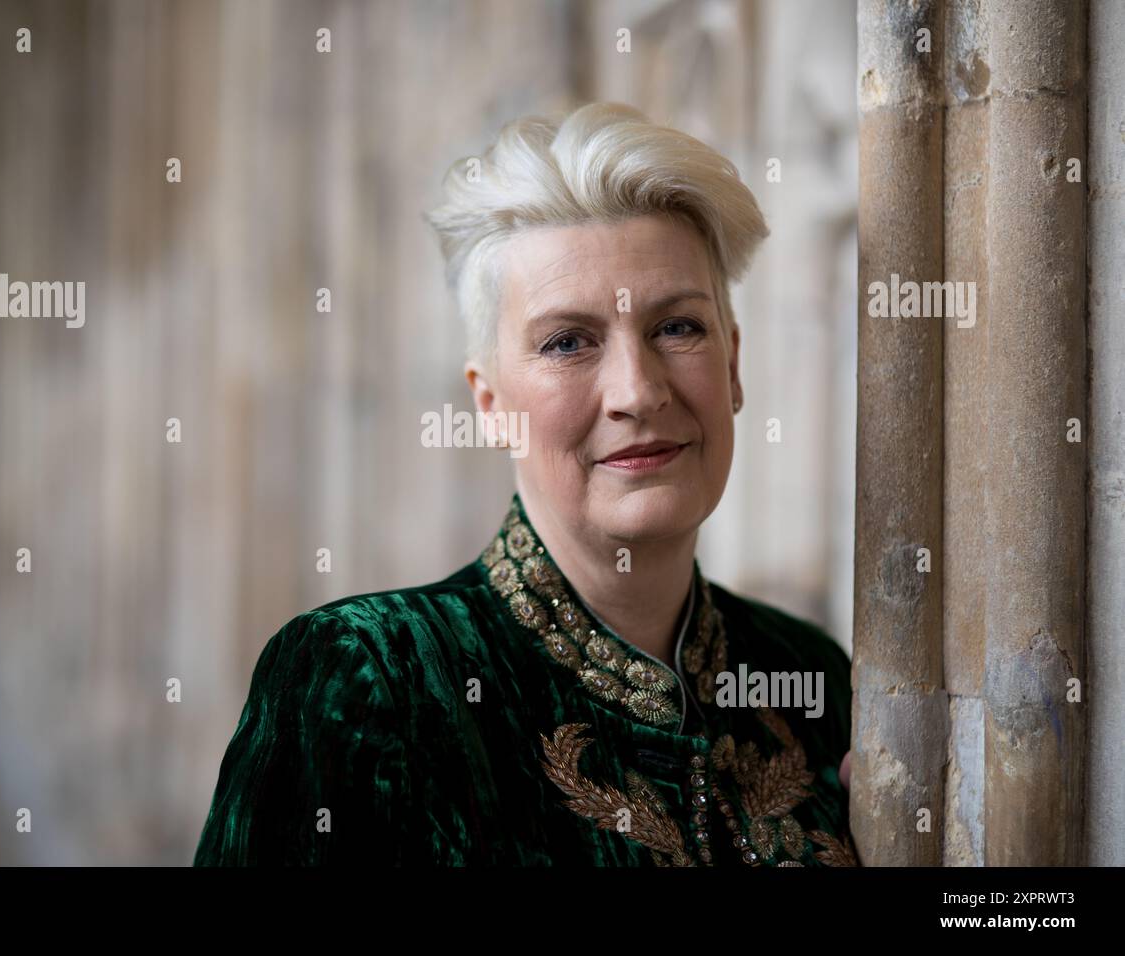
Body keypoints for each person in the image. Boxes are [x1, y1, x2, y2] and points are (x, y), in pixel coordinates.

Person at [193, 102, 858, 866]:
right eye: (568, 342)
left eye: (678, 327)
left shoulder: (810, 675)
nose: (637, 392)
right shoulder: (368, 679)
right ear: (491, 404)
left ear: (733, 364)